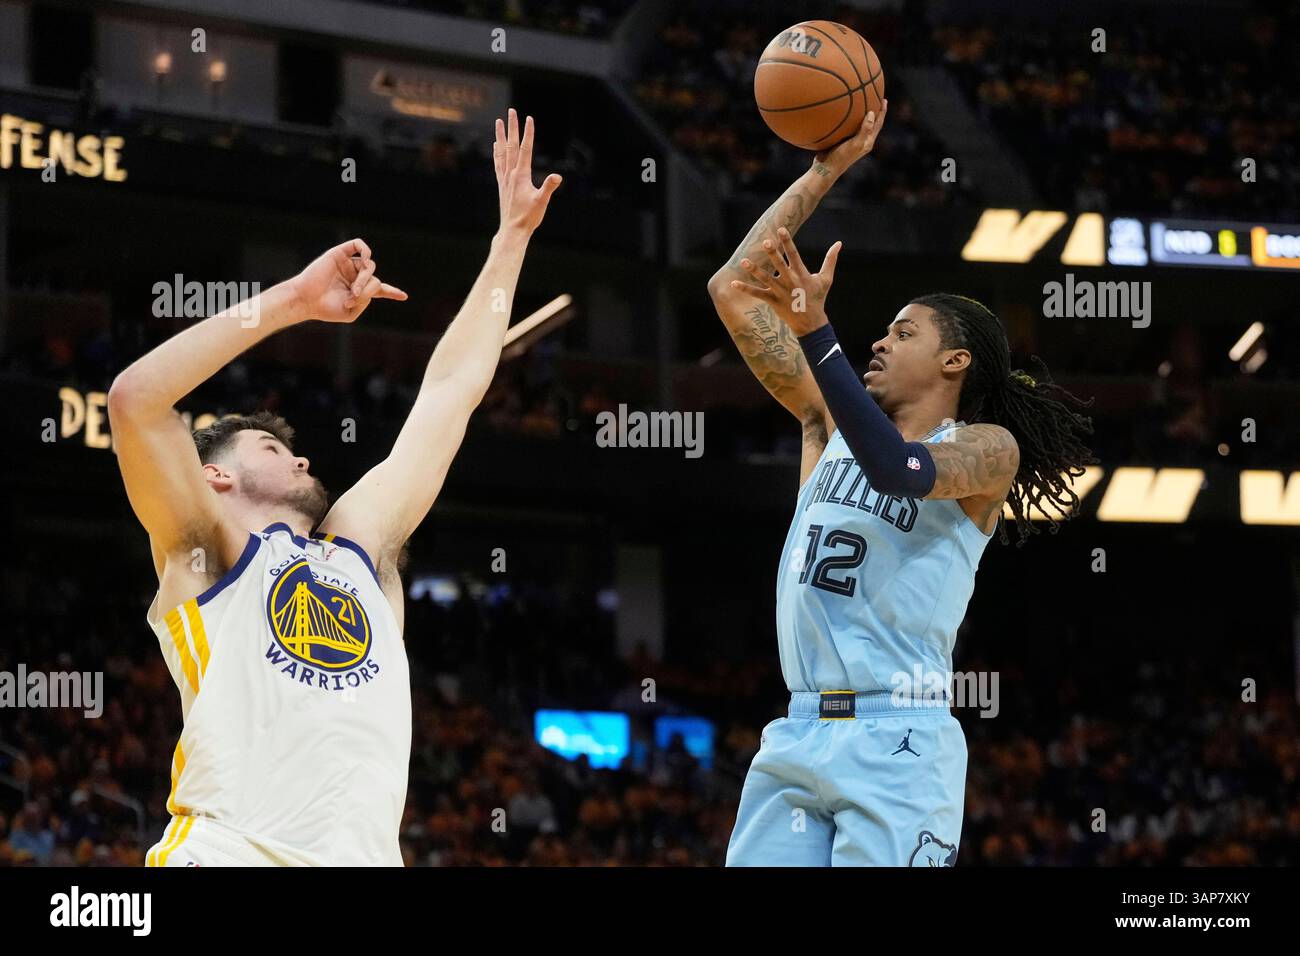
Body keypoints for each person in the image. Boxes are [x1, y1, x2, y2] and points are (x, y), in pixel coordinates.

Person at [107, 109, 561, 866]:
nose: (304, 461)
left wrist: (509, 241)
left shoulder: (359, 551)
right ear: (215, 474)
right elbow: (135, 402)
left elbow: (449, 389)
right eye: (271, 447)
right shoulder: (205, 551)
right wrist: (289, 302)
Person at [707, 102, 1094, 866]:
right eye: (881, 330)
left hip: (899, 738)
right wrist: (827, 169)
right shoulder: (826, 423)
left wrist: (820, 335)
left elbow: (900, 470)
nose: (880, 339)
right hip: (796, 730)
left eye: (904, 331)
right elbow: (734, 290)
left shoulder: (986, 450)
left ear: (957, 362)